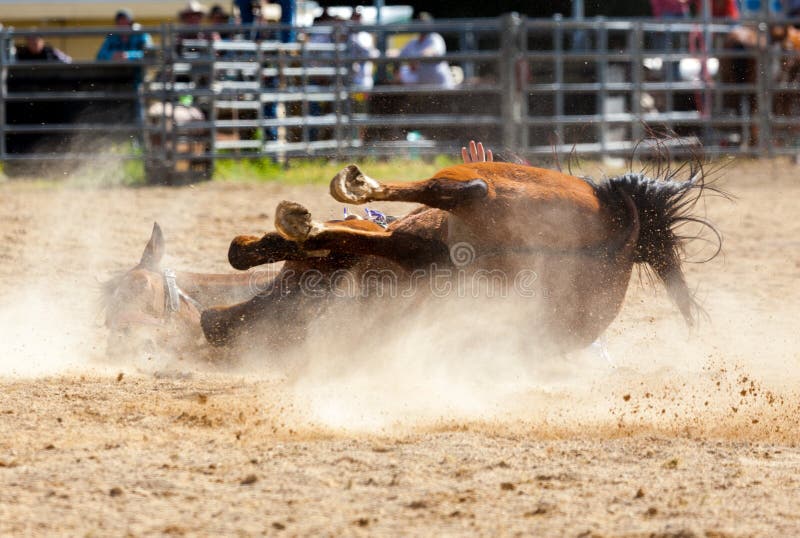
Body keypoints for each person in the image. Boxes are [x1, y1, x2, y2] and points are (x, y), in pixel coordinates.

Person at [397, 12, 454, 88]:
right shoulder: (413, 42)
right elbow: (400, 54)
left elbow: (430, 52)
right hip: (424, 87)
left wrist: (415, 60)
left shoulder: (435, 37)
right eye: (421, 23)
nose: (423, 26)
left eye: (425, 23)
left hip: (441, 85)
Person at [348, 7, 379, 90]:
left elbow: (371, 54)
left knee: (362, 100)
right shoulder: (346, 35)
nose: (357, 20)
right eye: (355, 17)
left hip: (364, 78)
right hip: (349, 79)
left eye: (359, 17)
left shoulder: (366, 36)